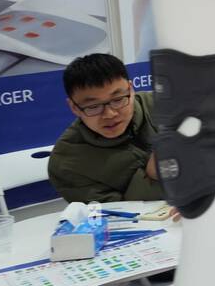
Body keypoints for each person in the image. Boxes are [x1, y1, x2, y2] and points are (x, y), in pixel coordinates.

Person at [48, 54, 162, 204]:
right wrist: (152, 175)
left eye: (118, 99)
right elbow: (110, 218)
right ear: (74, 107)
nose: (110, 114)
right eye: (93, 106)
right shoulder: (66, 163)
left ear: (131, 89)